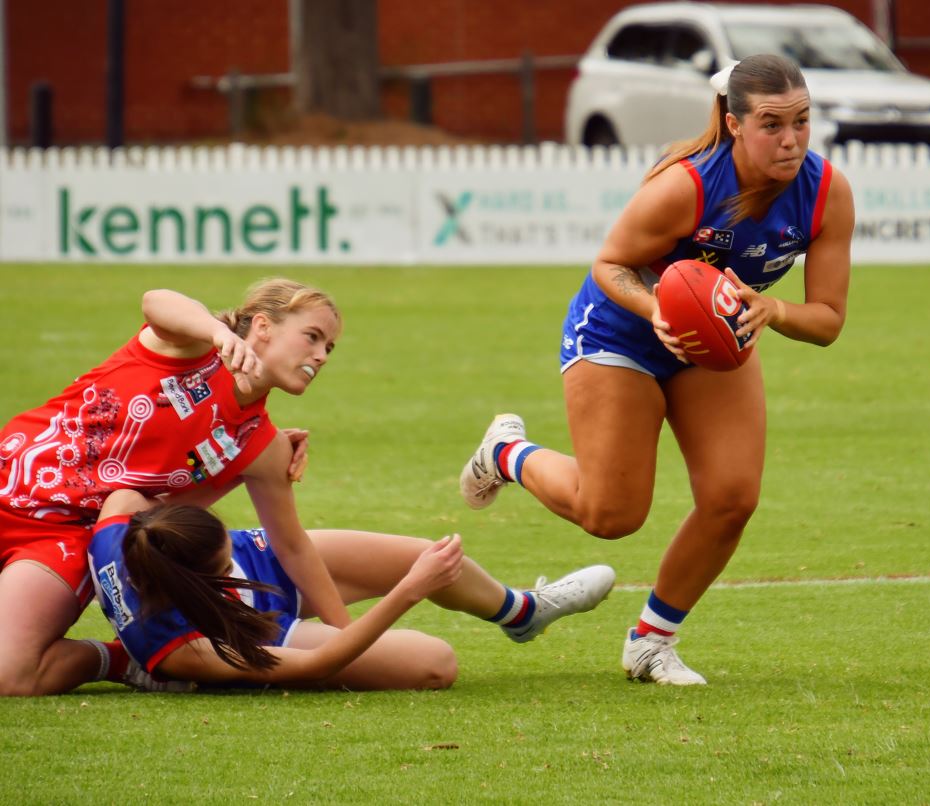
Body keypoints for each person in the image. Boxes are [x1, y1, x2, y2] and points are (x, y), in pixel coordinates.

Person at [459, 54, 854, 685]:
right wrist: (657, 309)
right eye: (773, 125)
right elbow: (610, 264)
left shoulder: (826, 191)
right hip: (621, 333)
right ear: (733, 125)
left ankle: (650, 642)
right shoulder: (688, 185)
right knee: (611, 516)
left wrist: (774, 308)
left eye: (803, 122)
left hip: (716, 340)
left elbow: (829, 319)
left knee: (731, 498)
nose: (791, 140)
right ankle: (507, 453)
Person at [4, 279, 352, 694]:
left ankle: (123, 661)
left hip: (59, 539)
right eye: (312, 337)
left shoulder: (260, 443)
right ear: (262, 326)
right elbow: (154, 300)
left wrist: (346, 640)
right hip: (9, 474)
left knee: (12, 673)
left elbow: (292, 547)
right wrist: (216, 332)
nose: (321, 355)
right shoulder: (196, 347)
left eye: (328, 347)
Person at [88, 490, 614, 688]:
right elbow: (316, 666)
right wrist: (409, 591)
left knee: (422, 554)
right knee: (436, 664)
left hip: (260, 569)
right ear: (199, 581)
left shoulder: (128, 525)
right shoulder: (189, 648)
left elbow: (127, 491)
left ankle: (522, 613)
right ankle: (126, 666)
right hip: (253, 632)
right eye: (226, 560)